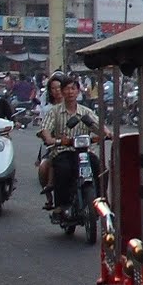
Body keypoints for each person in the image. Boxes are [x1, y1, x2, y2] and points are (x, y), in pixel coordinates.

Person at [37, 77, 108, 211]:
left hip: (84, 152)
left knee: (100, 168)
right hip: (63, 151)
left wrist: (106, 134)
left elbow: (100, 126)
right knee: (63, 169)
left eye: (73, 88)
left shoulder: (86, 112)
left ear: (78, 91)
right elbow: (45, 129)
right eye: (66, 89)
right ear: (62, 92)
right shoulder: (54, 112)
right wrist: (51, 139)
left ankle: (101, 199)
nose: (70, 92)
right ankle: (61, 205)